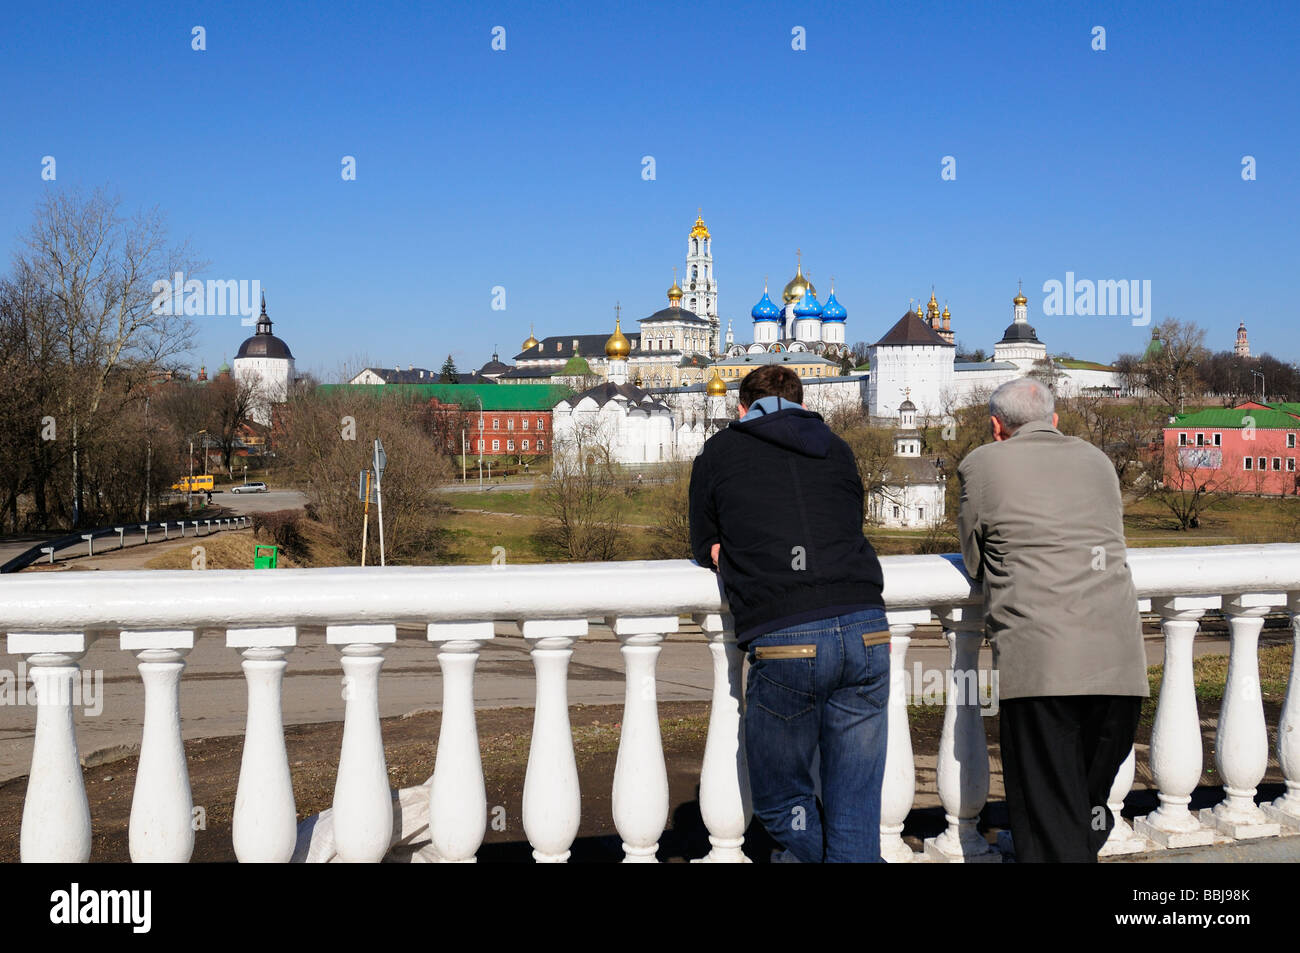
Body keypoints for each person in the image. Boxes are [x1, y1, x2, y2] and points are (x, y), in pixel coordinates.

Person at [688, 364, 889, 862]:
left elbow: (705, 545)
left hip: (787, 637)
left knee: (780, 804)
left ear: (741, 408)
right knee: (856, 804)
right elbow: (844, 523)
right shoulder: (837, 447)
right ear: (803, 403)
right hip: (868, 630)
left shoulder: (720, 452)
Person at [957, 377, 1148, 862]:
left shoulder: (982, 463)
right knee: (1081, 809)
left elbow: (974, 560)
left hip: (1040, 666)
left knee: (1049, 815)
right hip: (1120, 666)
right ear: (1055, 421)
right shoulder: (1097, 460)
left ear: (997, 426)